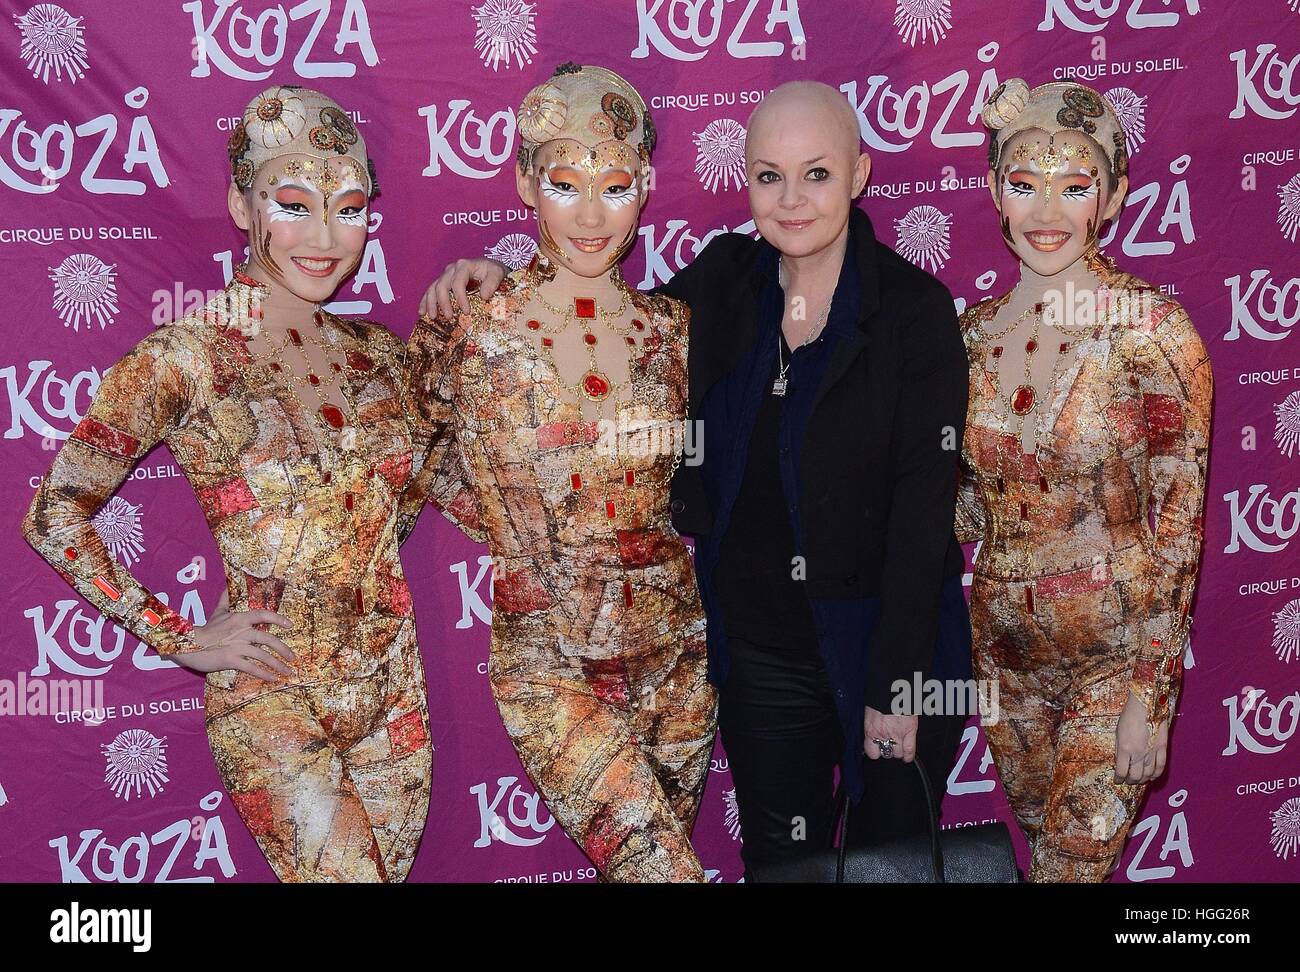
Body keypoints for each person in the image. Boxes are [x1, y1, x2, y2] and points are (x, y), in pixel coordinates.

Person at [427, 80, 973, 878]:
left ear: (859, 175)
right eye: (767, 176)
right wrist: (498, 276)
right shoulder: (725, 280)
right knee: (784, 866)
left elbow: (925, 521)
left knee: (887, 867)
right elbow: (608, 343)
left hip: (884, 646)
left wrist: (896, 688)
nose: (791, 201)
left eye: (817, 174)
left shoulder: (914, 312)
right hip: (758, 659)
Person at [23, 85, 433, 883]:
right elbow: (54, 514)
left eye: (348, 208)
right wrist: (180, 638)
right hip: (270, 692)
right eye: (293, 203)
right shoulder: (187, 356)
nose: (324, 237)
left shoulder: (381, 356)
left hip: (395, 693)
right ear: (241, 205)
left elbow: (407, 499)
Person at [406, 63, 716, 882]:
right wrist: (519, 528)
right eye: (565, 183)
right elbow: (412, 452)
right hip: (549, 661)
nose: (589, 216)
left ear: (646, 185)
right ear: (523, 181)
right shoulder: (470, 324)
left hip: (678, 656)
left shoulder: (676, 329)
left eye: (614, 187)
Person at [954, 78, 1213, 882]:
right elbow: (966, 509)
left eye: (1074, 187)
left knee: (1070, 868)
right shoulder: (969, 335)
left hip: (1118, 657)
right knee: (1048, 863)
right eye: (1025, 184)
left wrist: (1151, 694)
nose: (1046, 212)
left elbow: (1179, 524)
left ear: (1114, 197)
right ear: (996, 187)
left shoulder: (1156, 335)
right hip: (1004, 660)